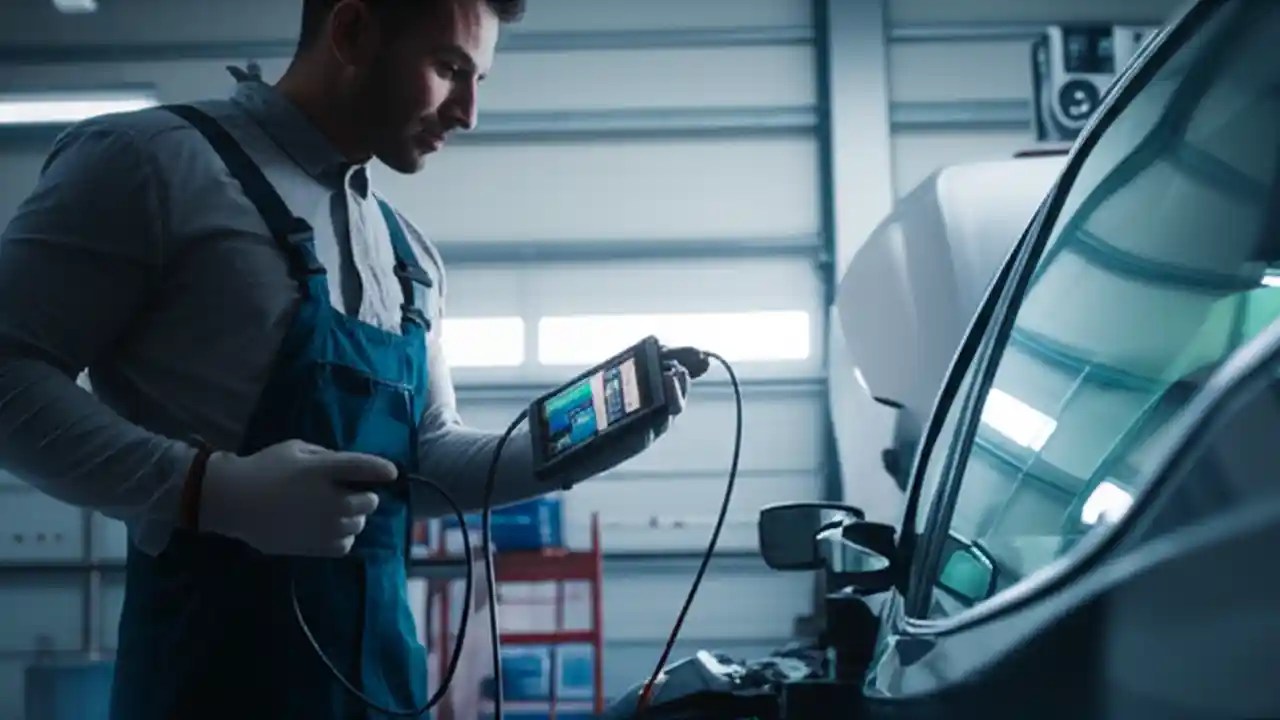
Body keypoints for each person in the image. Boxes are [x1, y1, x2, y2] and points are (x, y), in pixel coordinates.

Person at [0, 1, 690, 718]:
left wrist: (565, 455)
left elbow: (419, 464)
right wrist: (213, 490)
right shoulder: (148, 163)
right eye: (449, 69)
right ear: (353, 32)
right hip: (208, 686)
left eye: (478, 77)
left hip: (381, 688)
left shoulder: (407, 254)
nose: (470, 113)